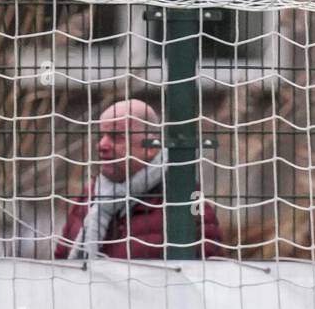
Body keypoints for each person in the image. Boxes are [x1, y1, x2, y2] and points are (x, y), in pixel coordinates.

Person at [55, 99, 224, 259]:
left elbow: (207, 276)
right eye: (102, 136)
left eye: (116, 136)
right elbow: (61, 265)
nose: (102, 145)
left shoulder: (186, 201)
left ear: (150, 147)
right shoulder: (88, 197)